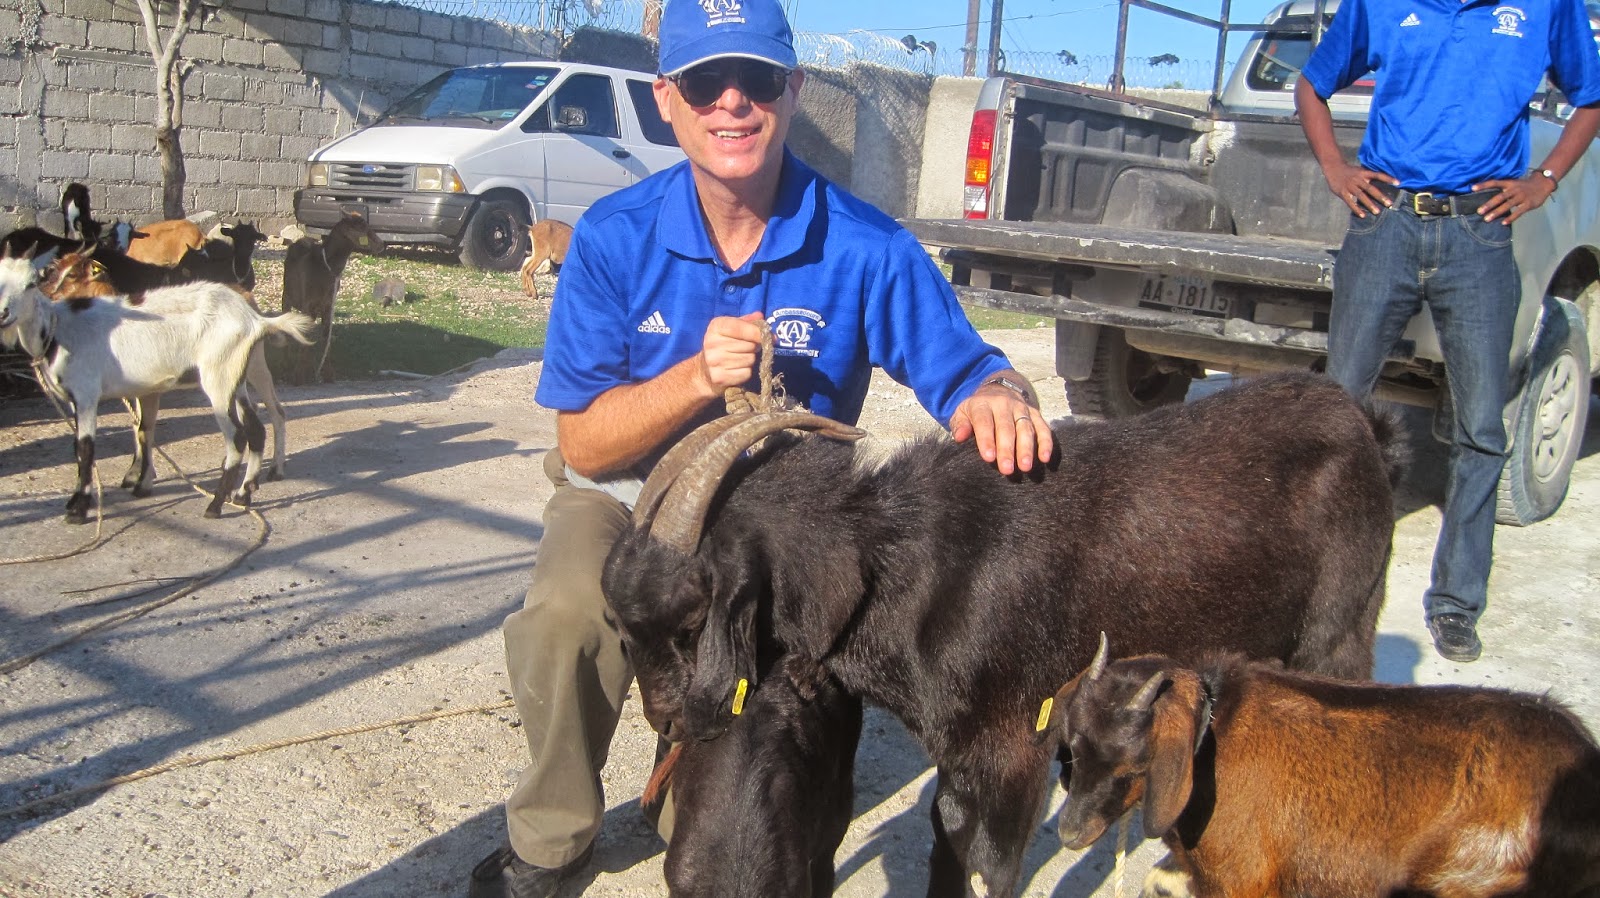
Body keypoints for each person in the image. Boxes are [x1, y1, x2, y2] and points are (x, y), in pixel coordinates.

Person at [468, 1, 1053, 895]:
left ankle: (695, 790)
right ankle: (552, 840)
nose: (731, 103)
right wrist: (695, 380)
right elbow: (581, 438)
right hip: (633, 498)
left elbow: (966, 369)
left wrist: (997, 397)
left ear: (794, 91)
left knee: (795, 685)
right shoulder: (614, 237)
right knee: (562, 619)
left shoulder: (863, 243)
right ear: (668, 99)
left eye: (757, 80)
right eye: (705, 82)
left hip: (781, 516)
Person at [1296, 0, 1600, 662]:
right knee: (1337, 411)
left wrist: (1543, 181)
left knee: (1481, 428)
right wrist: (1336, 169)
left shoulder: (1547, 6)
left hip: (1480, 234)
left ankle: (1457, 603)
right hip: (1387, 224)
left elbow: (1591, 95)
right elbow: (1312, 83)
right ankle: (1313, 583)